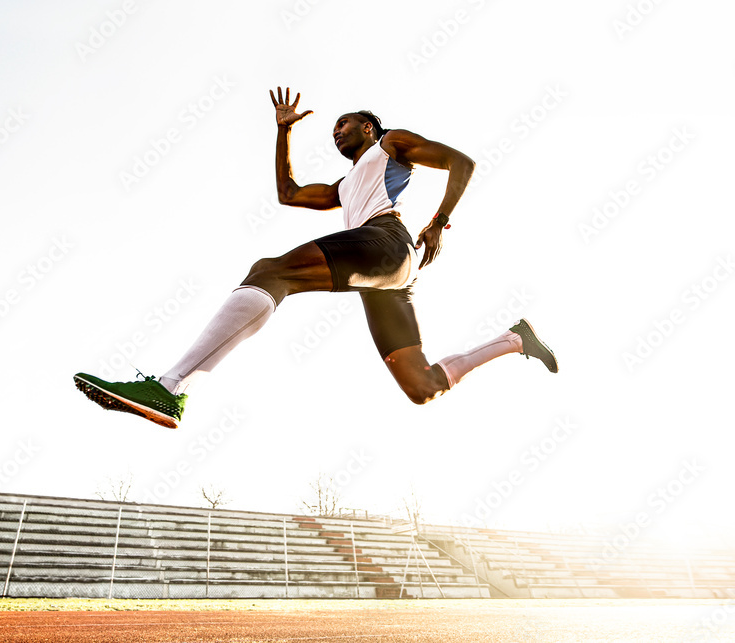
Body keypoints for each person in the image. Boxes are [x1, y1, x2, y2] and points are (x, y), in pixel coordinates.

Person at [74, 86, 557, 429]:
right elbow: (288, 193)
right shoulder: (345, 186)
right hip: (386, 276)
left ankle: (171, 386)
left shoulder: (391, 145)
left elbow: (462, 162)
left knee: (270, 271)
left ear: (368, 127)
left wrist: (439, 221)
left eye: (342, 124)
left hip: (388, 243)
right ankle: (516, 340)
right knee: (421, 386)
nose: (335, 132)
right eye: (331, 130)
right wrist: (283, 132)